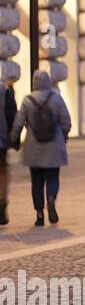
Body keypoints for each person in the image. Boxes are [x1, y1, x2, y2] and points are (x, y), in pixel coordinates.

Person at [8, 70, 72, 226]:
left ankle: (39, 215)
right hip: (53, 144)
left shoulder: (27, 100)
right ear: (48, 82)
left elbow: (18, 124)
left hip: (33, 145)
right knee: (52, 176)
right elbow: (66, 121)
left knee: (36, 181)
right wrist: (62, 136)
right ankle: (51, 198)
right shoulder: (56, 98)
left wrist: (14, 140)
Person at [0, 72, 16, 225]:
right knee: (2, 173)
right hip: (1, 141)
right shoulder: (5, 91)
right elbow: (12, 116)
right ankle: (1, 207)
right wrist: (13, 138)